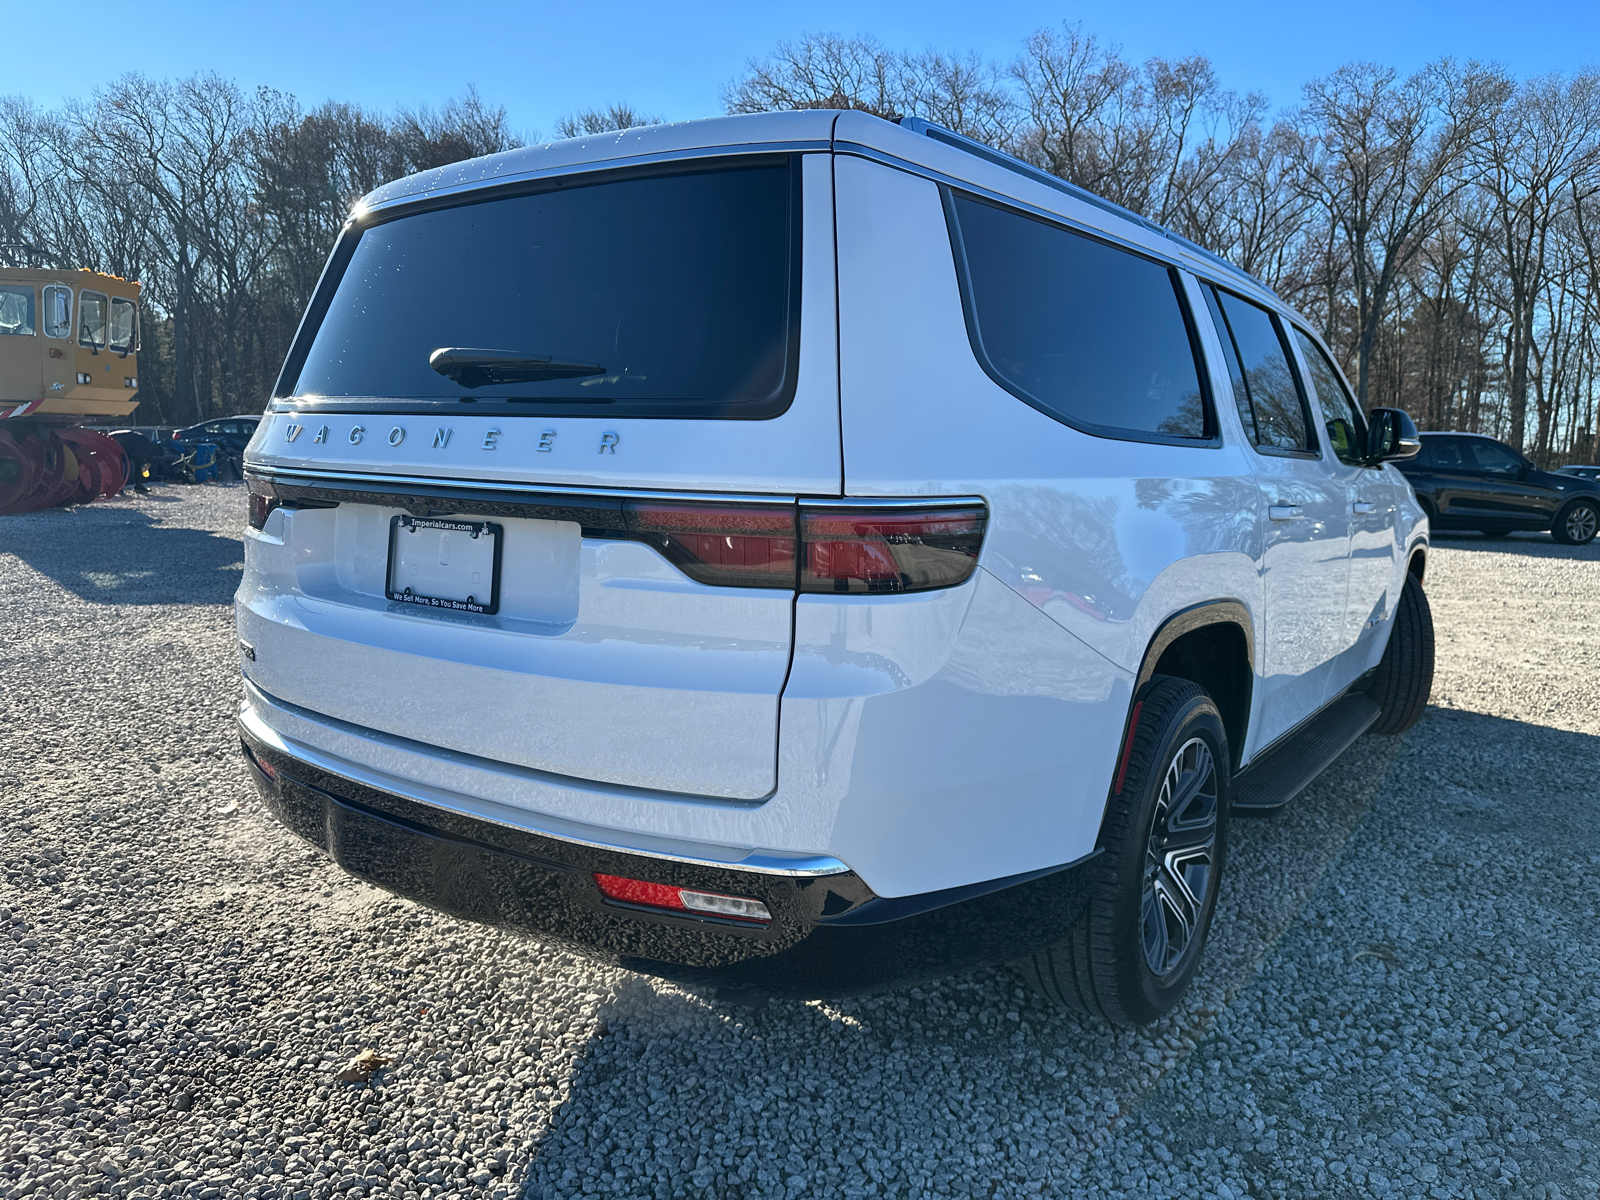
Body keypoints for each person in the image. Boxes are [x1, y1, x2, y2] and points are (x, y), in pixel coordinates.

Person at [110, 429, 155, 495]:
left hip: (123, 443)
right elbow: (141, 453)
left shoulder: (142, 440)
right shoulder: (143, 442)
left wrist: (147, 462)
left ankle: (137, 485)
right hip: (119, 444)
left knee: (137, 463)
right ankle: (119, 486)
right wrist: (148, 462)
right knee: (126, 466)